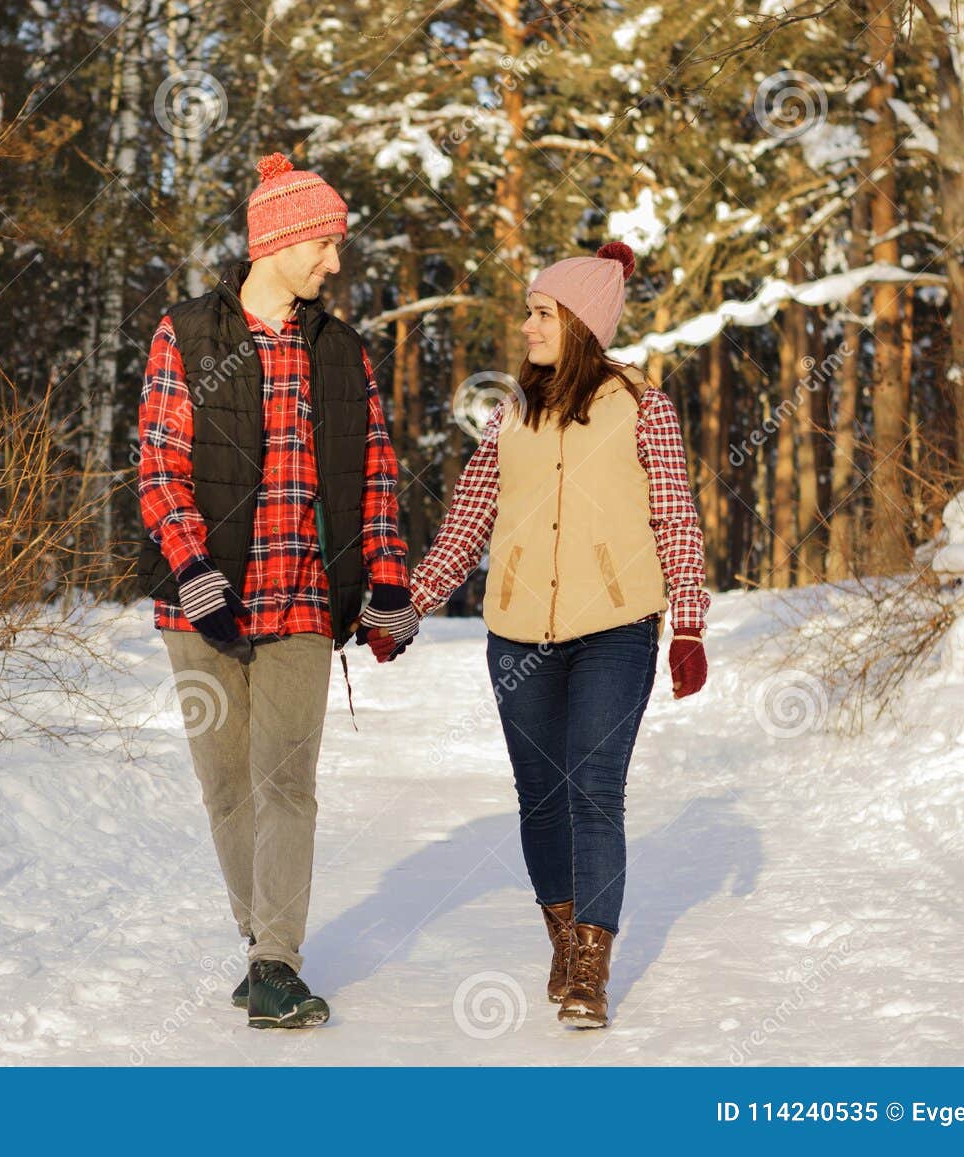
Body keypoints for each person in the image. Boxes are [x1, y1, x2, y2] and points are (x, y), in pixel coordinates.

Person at [363, 241, 711, 1028]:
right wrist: (409, 606)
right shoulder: (510, 412)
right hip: (519, 632)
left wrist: (686, 621)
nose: (526, 324)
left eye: (541, 312)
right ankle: (562, 933)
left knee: (595, 789)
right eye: (529, 311)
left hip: (616, 629)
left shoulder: (643, 405)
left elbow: (676, 519)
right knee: (541, 797)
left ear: (581, 321)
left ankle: (591, 963)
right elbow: (467, 523)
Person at [135, 152, 415, 1029]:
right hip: (198, 609)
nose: (336, 262)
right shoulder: (185, 333)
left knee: (285, 783)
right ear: (285, 239)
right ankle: (258, 938)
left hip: (300, 605)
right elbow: (157, 468)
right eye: (327, 243)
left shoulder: (341, 352)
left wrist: (388, 579)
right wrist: (195, 571)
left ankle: (276, 963)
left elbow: (375, 474)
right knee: (226, 788)